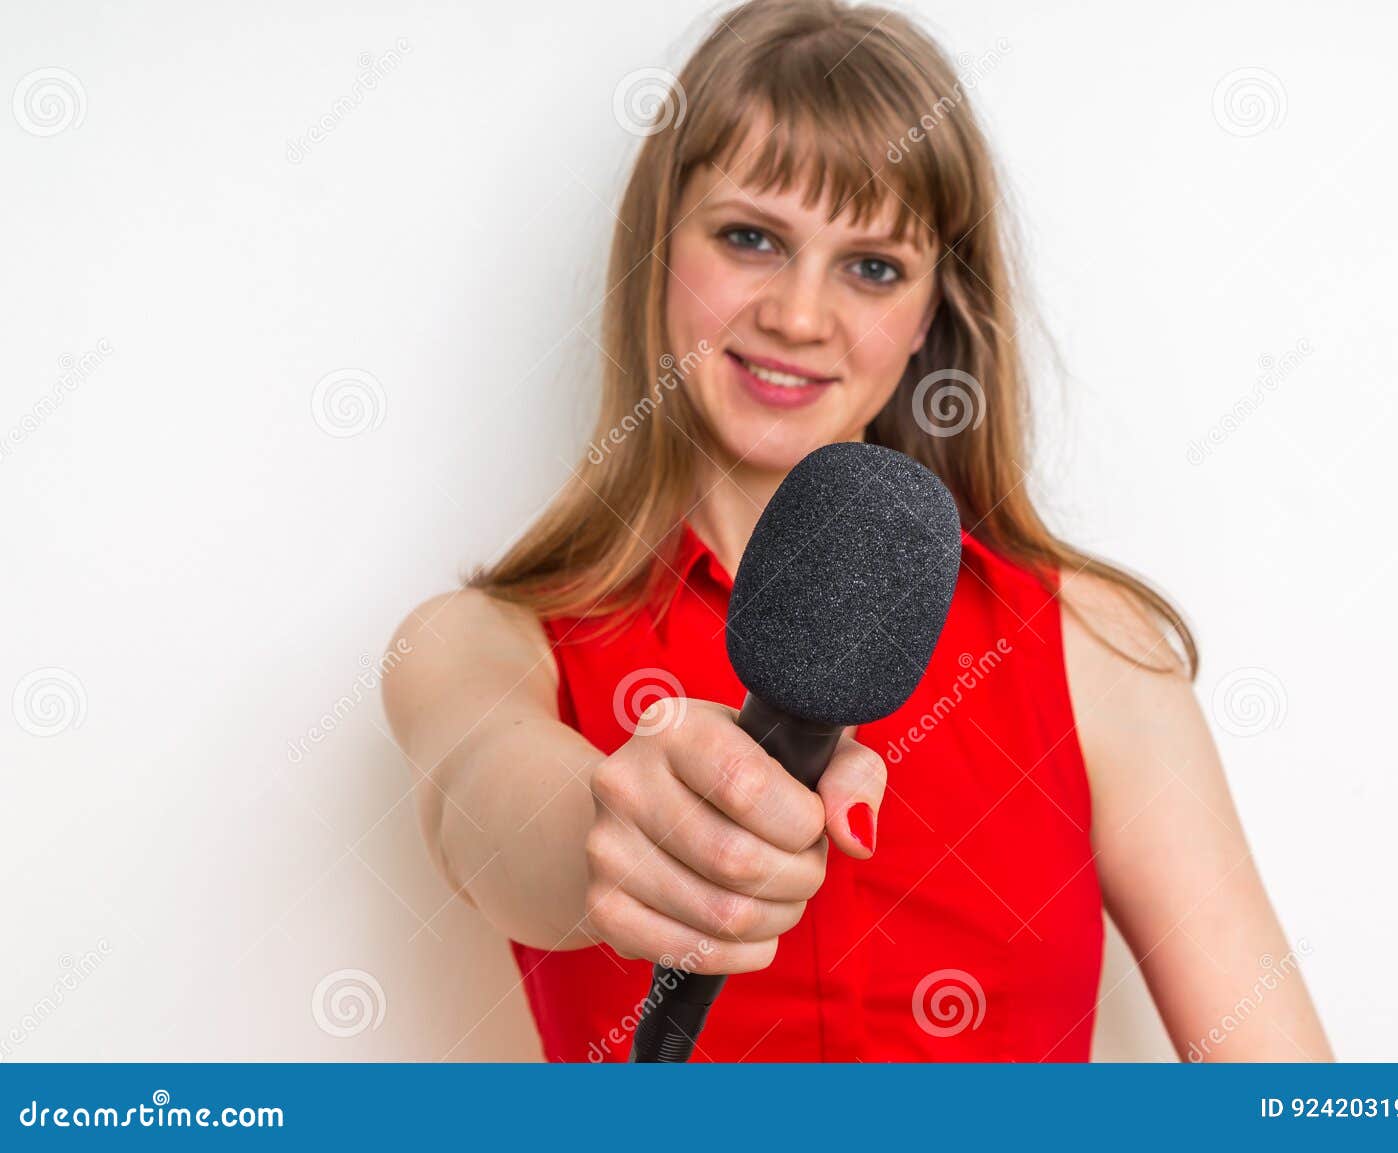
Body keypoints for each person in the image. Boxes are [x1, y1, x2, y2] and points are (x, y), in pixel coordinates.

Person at [381, 0, 1332, 1062]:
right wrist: (624, 836)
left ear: (932, 310)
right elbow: (487, 804)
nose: (797, 313)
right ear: (658, 250)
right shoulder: (481, 641)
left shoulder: (1093, 645)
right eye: (750, 237)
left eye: (872, 265)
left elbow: (1280, 1084)